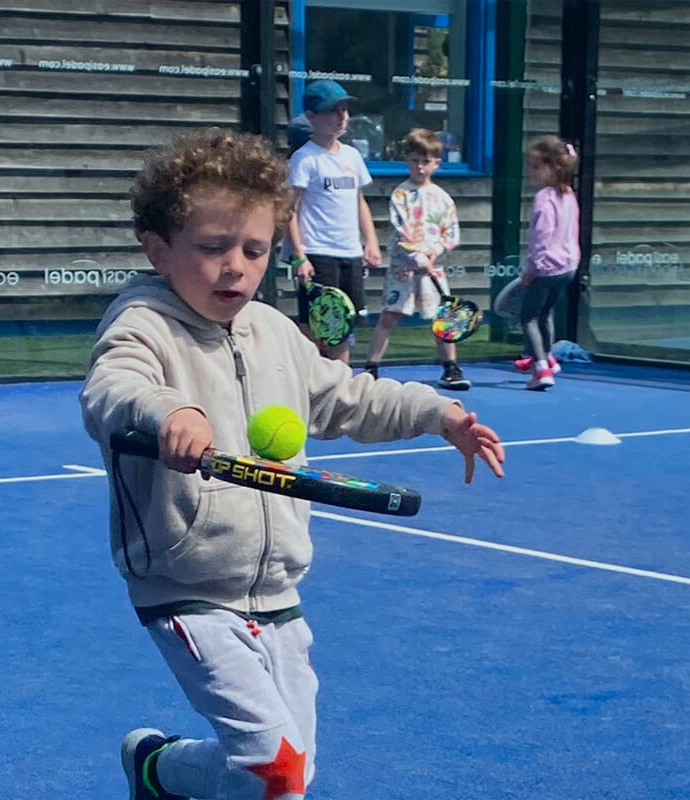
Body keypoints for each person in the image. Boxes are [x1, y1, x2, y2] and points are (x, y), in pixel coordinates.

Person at [83, 128, 506, 800]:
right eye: (213, 247)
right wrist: (170, 413)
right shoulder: (143, 323)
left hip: (278, 591)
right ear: (157, 249)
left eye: (254, 249)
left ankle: (157, 770)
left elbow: (348, 398)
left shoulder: (275, 331)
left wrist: (438, 414)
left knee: (290, 773)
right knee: (273, 771)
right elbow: (114, 388)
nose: (236, 267)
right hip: (186, 587)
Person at [362, 128, 470, 389]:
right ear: (406, 160)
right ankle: (371, 367)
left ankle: (450, 369)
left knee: (444, 318)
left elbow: (451, 233)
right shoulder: (400, 195)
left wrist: (435, 252)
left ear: (436, 163)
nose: (420, 167)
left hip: (434, 269)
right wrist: (418, 256)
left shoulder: (443, 199)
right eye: (414, 160)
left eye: (426, 161)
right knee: (390, 316)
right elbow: (401, 230)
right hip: (404, 269)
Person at [286, 80, 383, 361]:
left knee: (344, 326)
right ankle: (309, 381)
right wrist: (299, 257)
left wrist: (372, 242)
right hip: (318, 254)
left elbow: (359, 201)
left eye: (344, 110)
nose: (341, 117)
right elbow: (289, 209)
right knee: (315, 326)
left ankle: (341, 389)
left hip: (349, 253)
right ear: (312, 117)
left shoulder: (352, 155)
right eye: (332, 111)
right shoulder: (305, 159)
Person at [516, 135, 582, 391]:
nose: (531, 171)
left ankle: (541, 368)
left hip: (546, 268)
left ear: (554, 168)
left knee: (528, 318)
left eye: (536, 166)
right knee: (546, 313)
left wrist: (531, 270)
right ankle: (548, 357)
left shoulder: (544, 198)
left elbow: (540, 237)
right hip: (568, 268)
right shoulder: (569, 195)